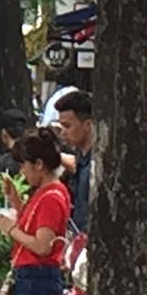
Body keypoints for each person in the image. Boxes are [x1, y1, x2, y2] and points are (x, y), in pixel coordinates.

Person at [0, 127, 73, 295]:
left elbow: (42, 245)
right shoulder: (44, 193)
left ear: (39, 164)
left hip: (38, 278)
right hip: (31, 276)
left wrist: (11, 231)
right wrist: (15, 199)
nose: (22, 172)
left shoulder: (52, 196)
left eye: (24, 165)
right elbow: (33, 225)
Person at [51, 88, 96, 234]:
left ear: (87, 125)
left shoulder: (95, 167)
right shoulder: (80, 159)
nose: (63, 132)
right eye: (61, 126)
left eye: (67, 126)